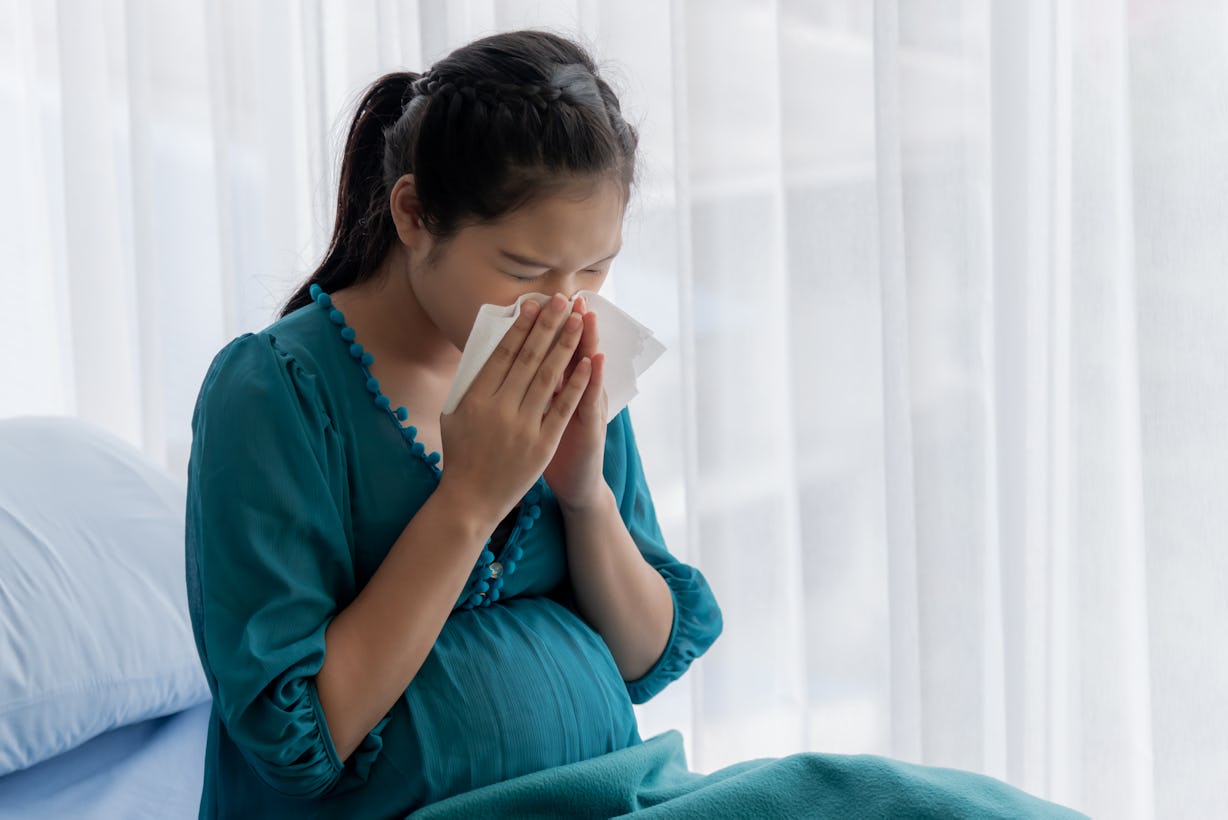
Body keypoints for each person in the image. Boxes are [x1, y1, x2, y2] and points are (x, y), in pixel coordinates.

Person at [186, 30, 1086, 819]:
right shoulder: (273, 393)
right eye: (525, 269)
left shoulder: (557, 358)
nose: (564, 306)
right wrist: (469, 502)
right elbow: (297, 737)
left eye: (596, 269)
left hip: (630, 789)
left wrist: (584, 496)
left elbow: (644, 656)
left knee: (911, 803)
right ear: (414, 214)